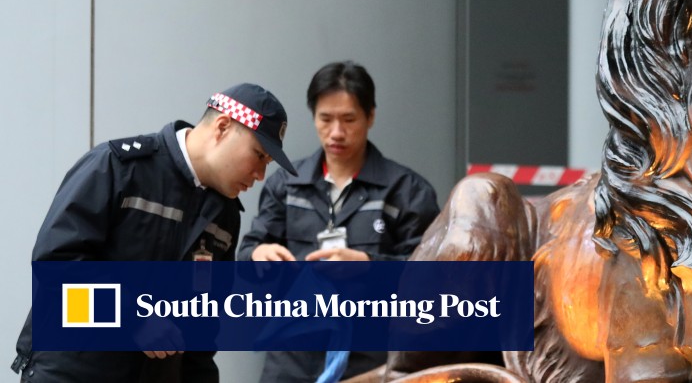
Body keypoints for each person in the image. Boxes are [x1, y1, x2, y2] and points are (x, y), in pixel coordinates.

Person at [12, 83, 298, 383]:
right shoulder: (119, 168)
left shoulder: (224, 217)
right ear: (223, 127)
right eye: (259, 155)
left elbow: (200, 333)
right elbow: (55, 269)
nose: (261, 174)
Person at [237, 61, 439, 382]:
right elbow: (250, 251)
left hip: (370, 359)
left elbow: (431, 278)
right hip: (291, 356)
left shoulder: (407, 191)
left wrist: (369, 267)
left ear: (370, 116)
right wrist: (259, 256)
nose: (336, 133)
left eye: (349, 119)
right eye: (325, 119)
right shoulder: (285, 185)